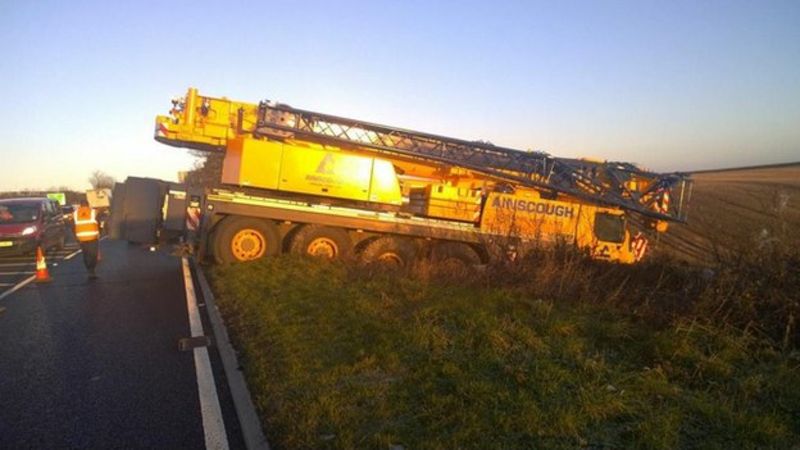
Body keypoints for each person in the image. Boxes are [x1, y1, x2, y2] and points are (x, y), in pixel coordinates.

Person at [73, 199, 100, 279]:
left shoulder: (75, 213)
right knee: (93, 255)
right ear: (88, 204)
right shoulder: (93, 212)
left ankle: (89, 269)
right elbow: (98, 219)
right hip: (92, 237)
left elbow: (72, 225)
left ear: (80, 205)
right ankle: (92, 270)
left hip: (81, 238)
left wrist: (76, 237)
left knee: (86, 254)